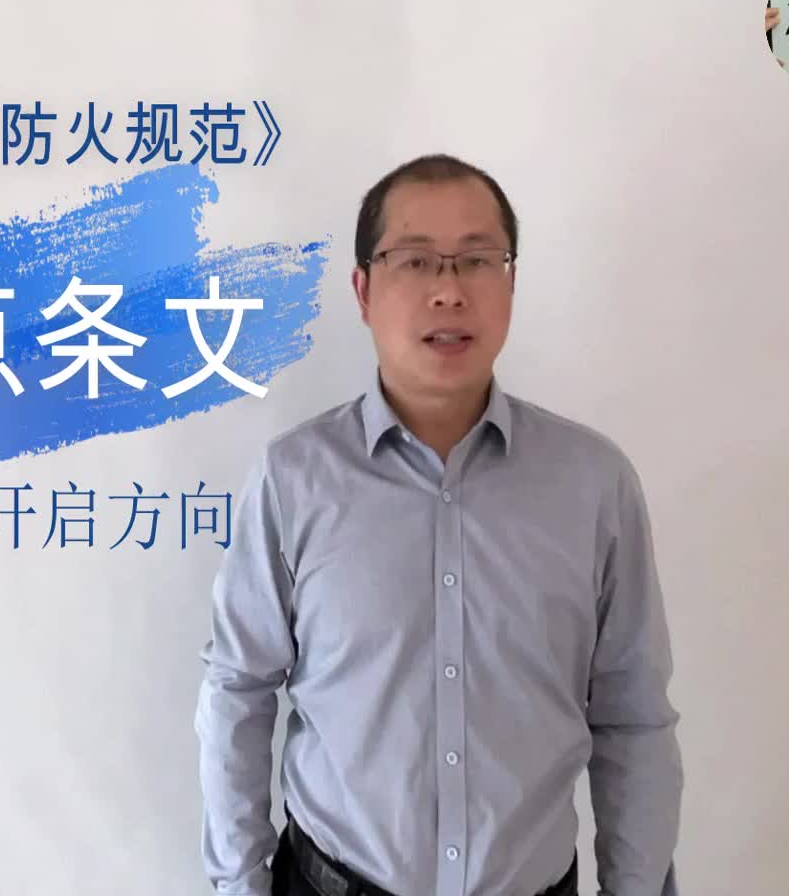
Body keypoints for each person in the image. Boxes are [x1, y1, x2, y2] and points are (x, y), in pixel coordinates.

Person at [194, 154, 683, 896]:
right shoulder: (294, 480)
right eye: (415, 260)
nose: (449, 290)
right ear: (363, 290)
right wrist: (239, 885)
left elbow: (633, 716)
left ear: (511, 282)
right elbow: (238, 689)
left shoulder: (593, 484)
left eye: (478, 260)